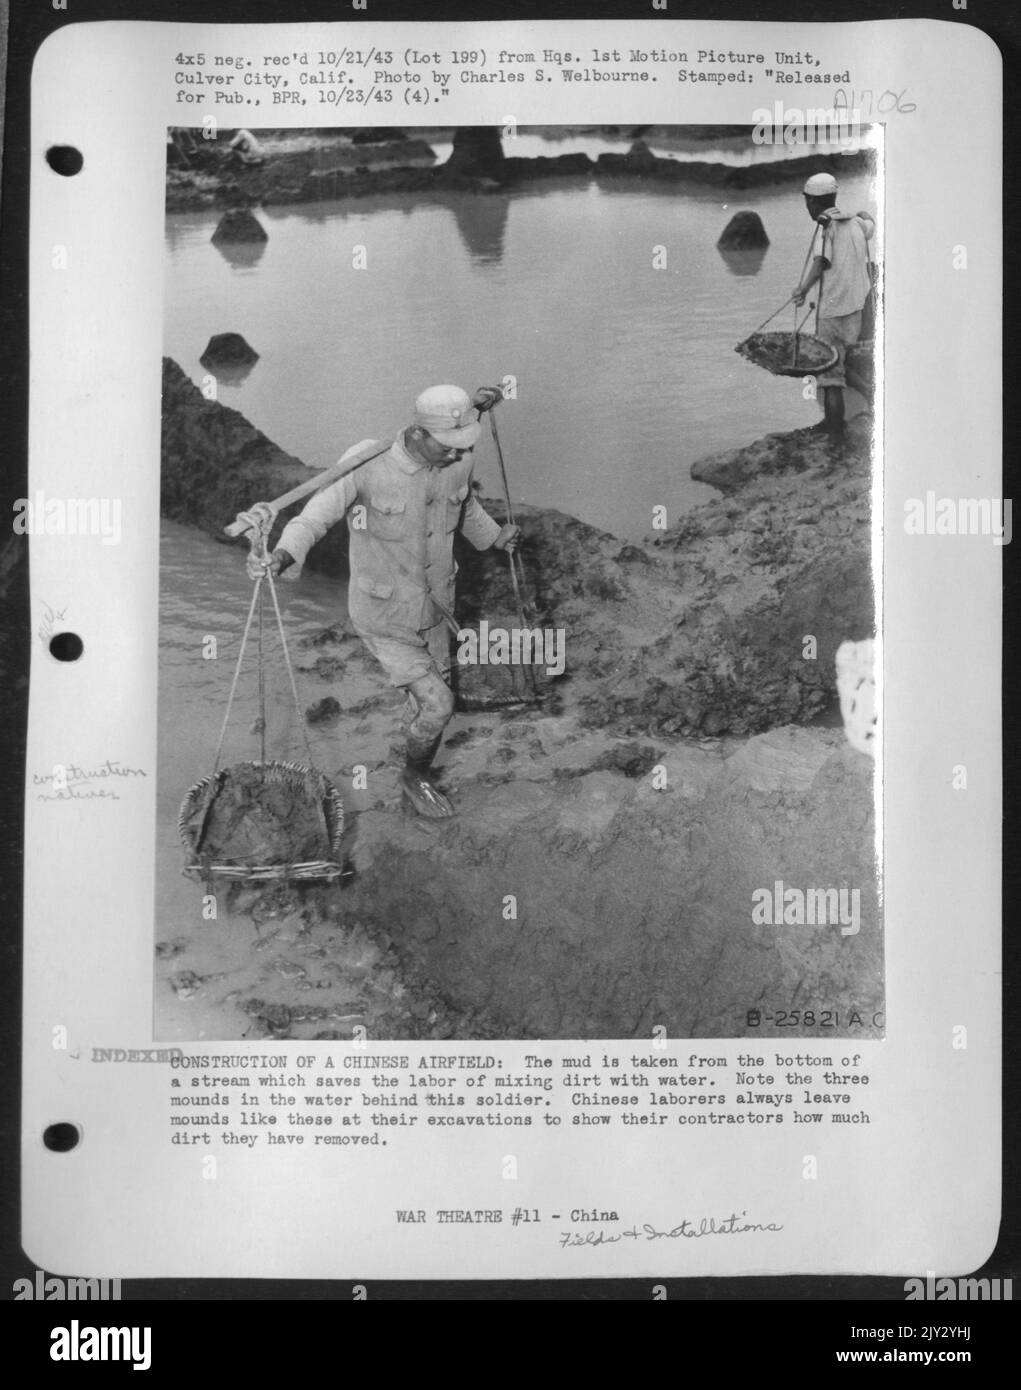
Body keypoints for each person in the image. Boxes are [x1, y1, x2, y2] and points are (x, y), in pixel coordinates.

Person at [246, 385, 519, 819]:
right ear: (418, 432)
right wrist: (281, 556)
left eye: (461, 447)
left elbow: (463, 505)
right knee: (439, 704)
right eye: (447, 447)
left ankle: (411, 742)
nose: (455, 455)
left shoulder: (458, 458)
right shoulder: (367, 463)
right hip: (384, 615)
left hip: (437, 607)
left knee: (427, 699)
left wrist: (493, 538)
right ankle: (415, 777)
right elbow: (314, 517)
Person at [792, 172, 875, 442]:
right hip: (856, 309)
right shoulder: (857, 225)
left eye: (807, 203)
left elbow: (820, 263)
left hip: (833, 310)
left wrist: (802, 290)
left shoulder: (825, 228)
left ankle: (834, 428)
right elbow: (870, 223)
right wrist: (863, 213)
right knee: (843, 364)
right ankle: (870, 405)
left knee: (830, 373)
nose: (807, 208)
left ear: (814, 203)